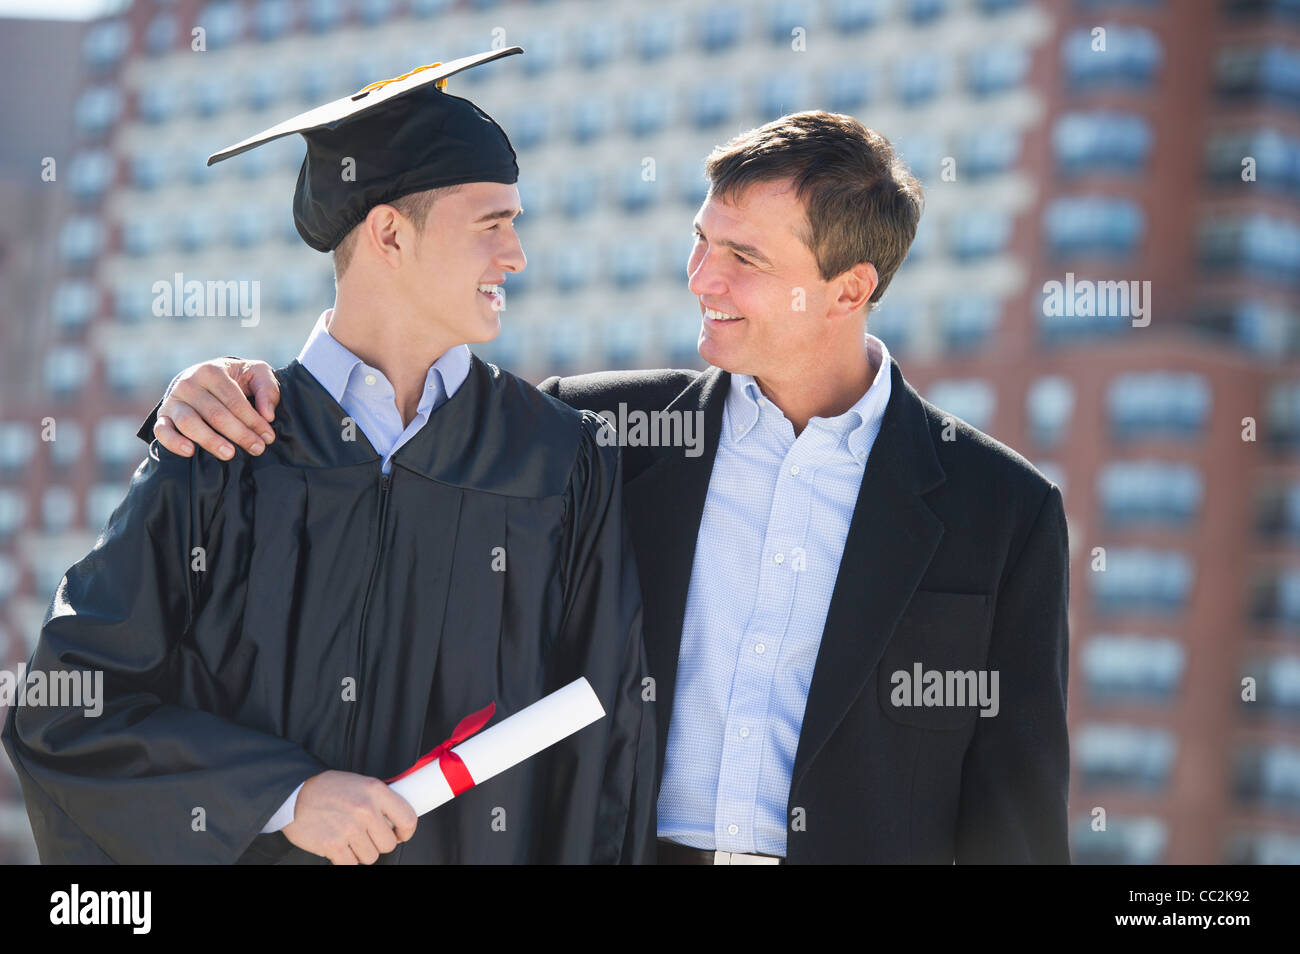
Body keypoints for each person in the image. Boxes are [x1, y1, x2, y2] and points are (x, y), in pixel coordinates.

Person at [132, 111, 1070, 864]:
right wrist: (209, 390)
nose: (701, 277)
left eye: (745, 260)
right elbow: (396, 438)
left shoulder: (1001, 509)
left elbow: (1017, 804)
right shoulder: (596, 439)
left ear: (849, 287)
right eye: (702, 241)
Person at [2, 48, 656, 865]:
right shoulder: (220, 448)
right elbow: (67, 713)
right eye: (494, 223)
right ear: (388, 232)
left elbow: (607, 757)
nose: (517, 255)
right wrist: (283, 796)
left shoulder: (557, 462)